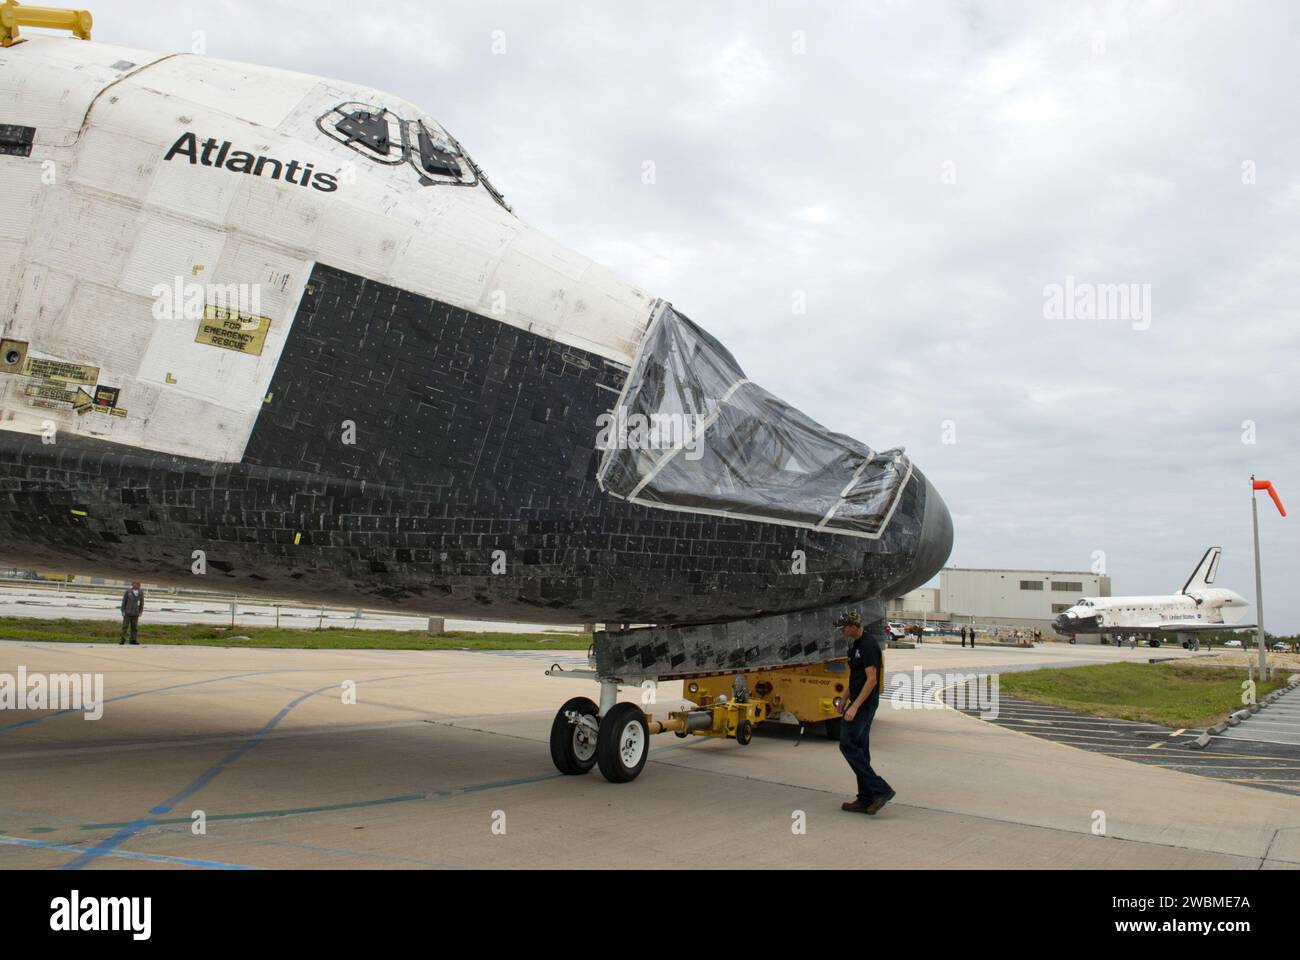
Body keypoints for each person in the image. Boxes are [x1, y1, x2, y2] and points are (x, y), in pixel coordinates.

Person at [835, 610, 895, 816]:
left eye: (843, 627)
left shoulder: (868, 645)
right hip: (858, 701)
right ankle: (865, 798)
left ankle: (881, 789)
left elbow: (871, 680)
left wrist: (855, 707)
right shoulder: (856, 645)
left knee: (847, 745)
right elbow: (857, 676)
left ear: (853, 626)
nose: (841, 630)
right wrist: (844, 699)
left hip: (865, 704)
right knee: (861, 749)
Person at [119, 580, 145, 645]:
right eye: (133, 584)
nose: (134, 585)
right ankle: (122, 640)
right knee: (125, 626)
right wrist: (122, 610)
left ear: (139, 585)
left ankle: (133, 640)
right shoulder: (128, 592)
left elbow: (142, 603)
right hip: (127, 612)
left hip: (135, 613)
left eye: (136, 584)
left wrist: (140, 611)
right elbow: (124, 601)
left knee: (134, 627)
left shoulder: (141, 592)